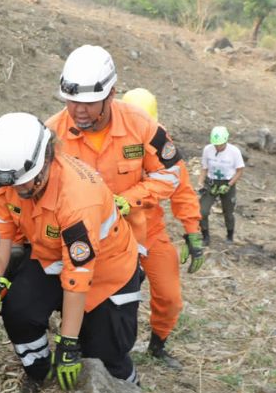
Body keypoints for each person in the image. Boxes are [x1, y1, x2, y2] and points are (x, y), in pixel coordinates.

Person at [45, 45, 198, 369]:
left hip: (140, 230)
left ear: (111, 93)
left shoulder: (141, 125)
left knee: (163, 297)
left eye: (88, 104)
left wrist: (127, 200)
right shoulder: (52, 133)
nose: (79, 112)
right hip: (81, 236)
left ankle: (153, 344)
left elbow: (172, 174)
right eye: (72, 102)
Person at [0, 113, 142, 393]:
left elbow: (78, 277)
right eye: (15, 184)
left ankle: (130, 392)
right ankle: (41, 374)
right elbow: (2, 231)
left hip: (107, 273)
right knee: (18, 311)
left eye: (29, 181)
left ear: (48, 157)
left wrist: (68, 341)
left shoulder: (77, 199)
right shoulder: (6, 176)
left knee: (103, 354)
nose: (21, 189)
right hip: (51, 257)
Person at [121, 87, 204, 370]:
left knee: (169, 296)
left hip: (151, 230)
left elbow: (182, 188)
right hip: (115, 231)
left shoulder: (160, 141)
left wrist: (193, 232)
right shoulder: (112, 139)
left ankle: (158, 344)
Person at [199, 126, 245, 245]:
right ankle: (205, 236)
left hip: (227, 182)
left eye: (220, 145)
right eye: (215, 145)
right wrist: (200, 183)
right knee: (202, 211)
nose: (217, 147)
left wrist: (229, 184)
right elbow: (204, 168)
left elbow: (239, 170)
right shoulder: (208, 150)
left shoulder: (234, 152)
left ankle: (230, 235)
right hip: (211, 182)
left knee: (228, 212)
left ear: (226, 141)